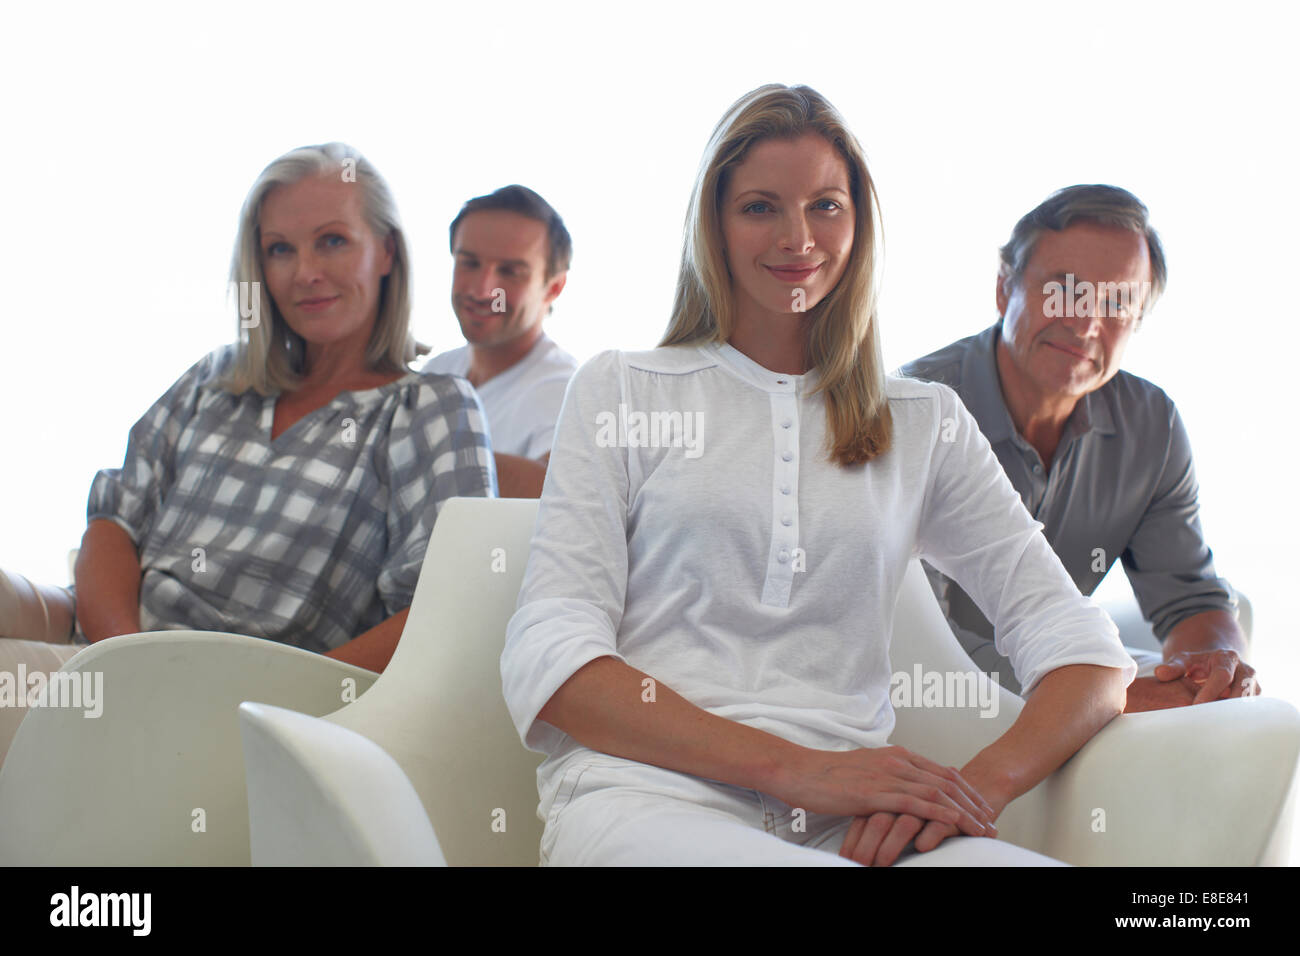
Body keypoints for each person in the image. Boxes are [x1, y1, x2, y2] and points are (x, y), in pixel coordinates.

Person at [500, 85, 1135, 867]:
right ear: (716, 225)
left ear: (859, 223)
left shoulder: (923, 420)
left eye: (826, 206)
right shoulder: (622, 388)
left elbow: (1088, 655)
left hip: (852, 821)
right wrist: (801, 770)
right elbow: (554, 659)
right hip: (644, 797)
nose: (798, 237)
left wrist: (972, 791)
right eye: (761, 207)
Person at [1, 143, 495, 680]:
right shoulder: (216, 378)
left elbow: (445, 611)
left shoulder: (429, 408)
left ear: (388, 251)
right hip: (104, 650)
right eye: (280, 249)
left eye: (332, 241)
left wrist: (277, 704)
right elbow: (115, 520)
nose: (305, 272)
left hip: (236, 692)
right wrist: (128, 663)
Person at [900, 185, 1256, 712]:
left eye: (1115, 304)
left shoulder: (1152, 427)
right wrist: (1105, 694)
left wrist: (1213, 669)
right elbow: (918, 647)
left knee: (1237, 710)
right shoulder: (913, 412)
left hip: (1066, 682)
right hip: (920, 701)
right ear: (1004, 288)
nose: (1086, 323)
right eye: (1064, 290)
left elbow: (1189, 601)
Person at [423, 185, 578, 497]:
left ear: (554, 288)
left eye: (510, 271)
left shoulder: (567, 391)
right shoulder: (437, 370)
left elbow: (557, 492)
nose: (483, 291)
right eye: (469, 263)